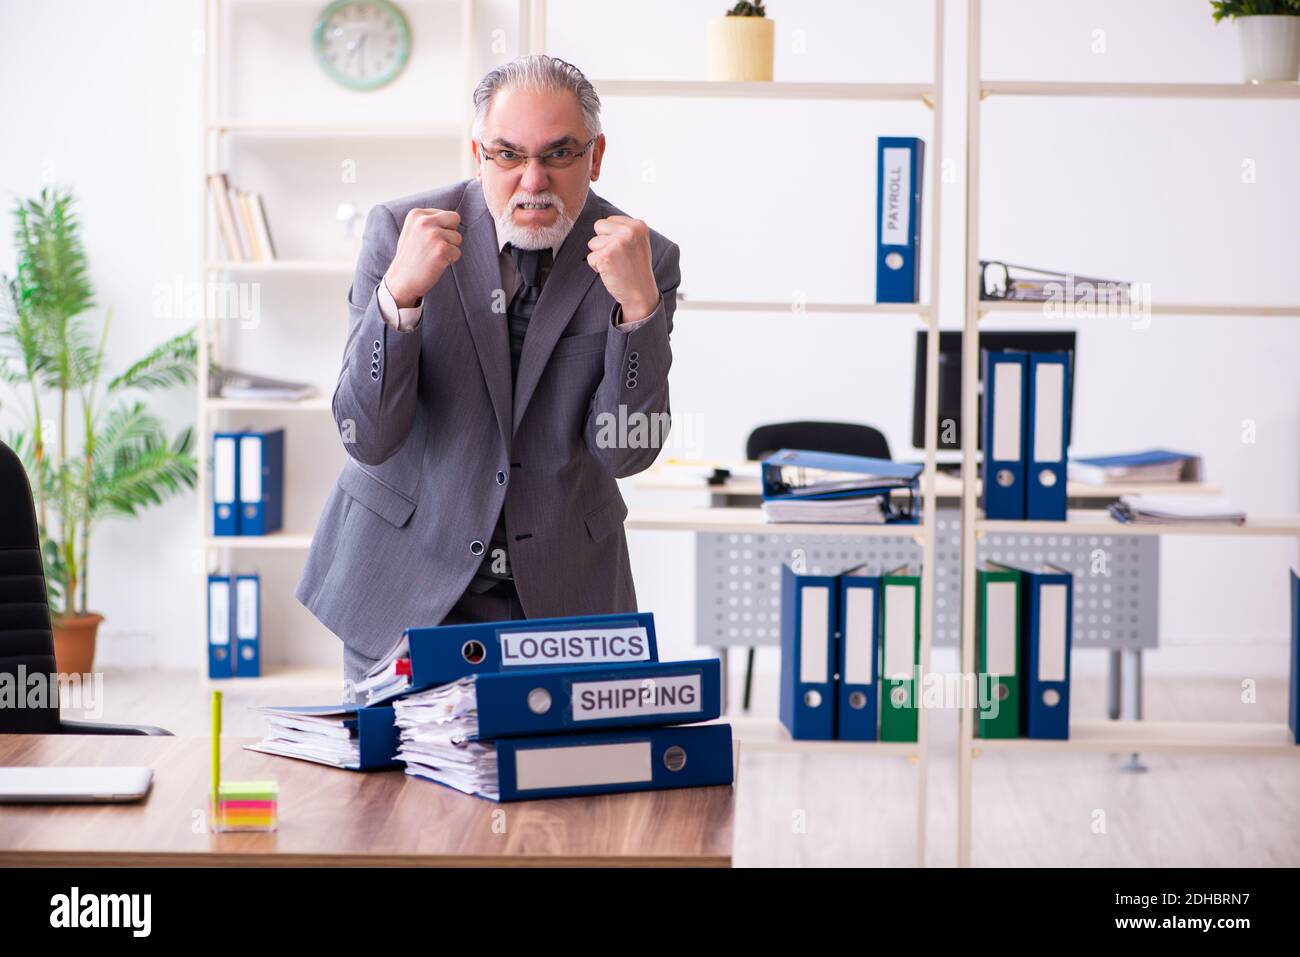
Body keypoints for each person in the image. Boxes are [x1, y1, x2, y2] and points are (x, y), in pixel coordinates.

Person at [295, 55, 681, 689]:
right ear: (478, 154)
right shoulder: (399, 233)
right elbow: (367, 435)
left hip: (564, 595)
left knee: (563, 785)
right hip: (406, 583)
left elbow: (624, 454)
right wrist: (400, 298)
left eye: (559, 154)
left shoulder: (645, 258)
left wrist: (639, 312)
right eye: (508, 155)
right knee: (393, 789)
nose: (533, 182)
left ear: (597, 155)